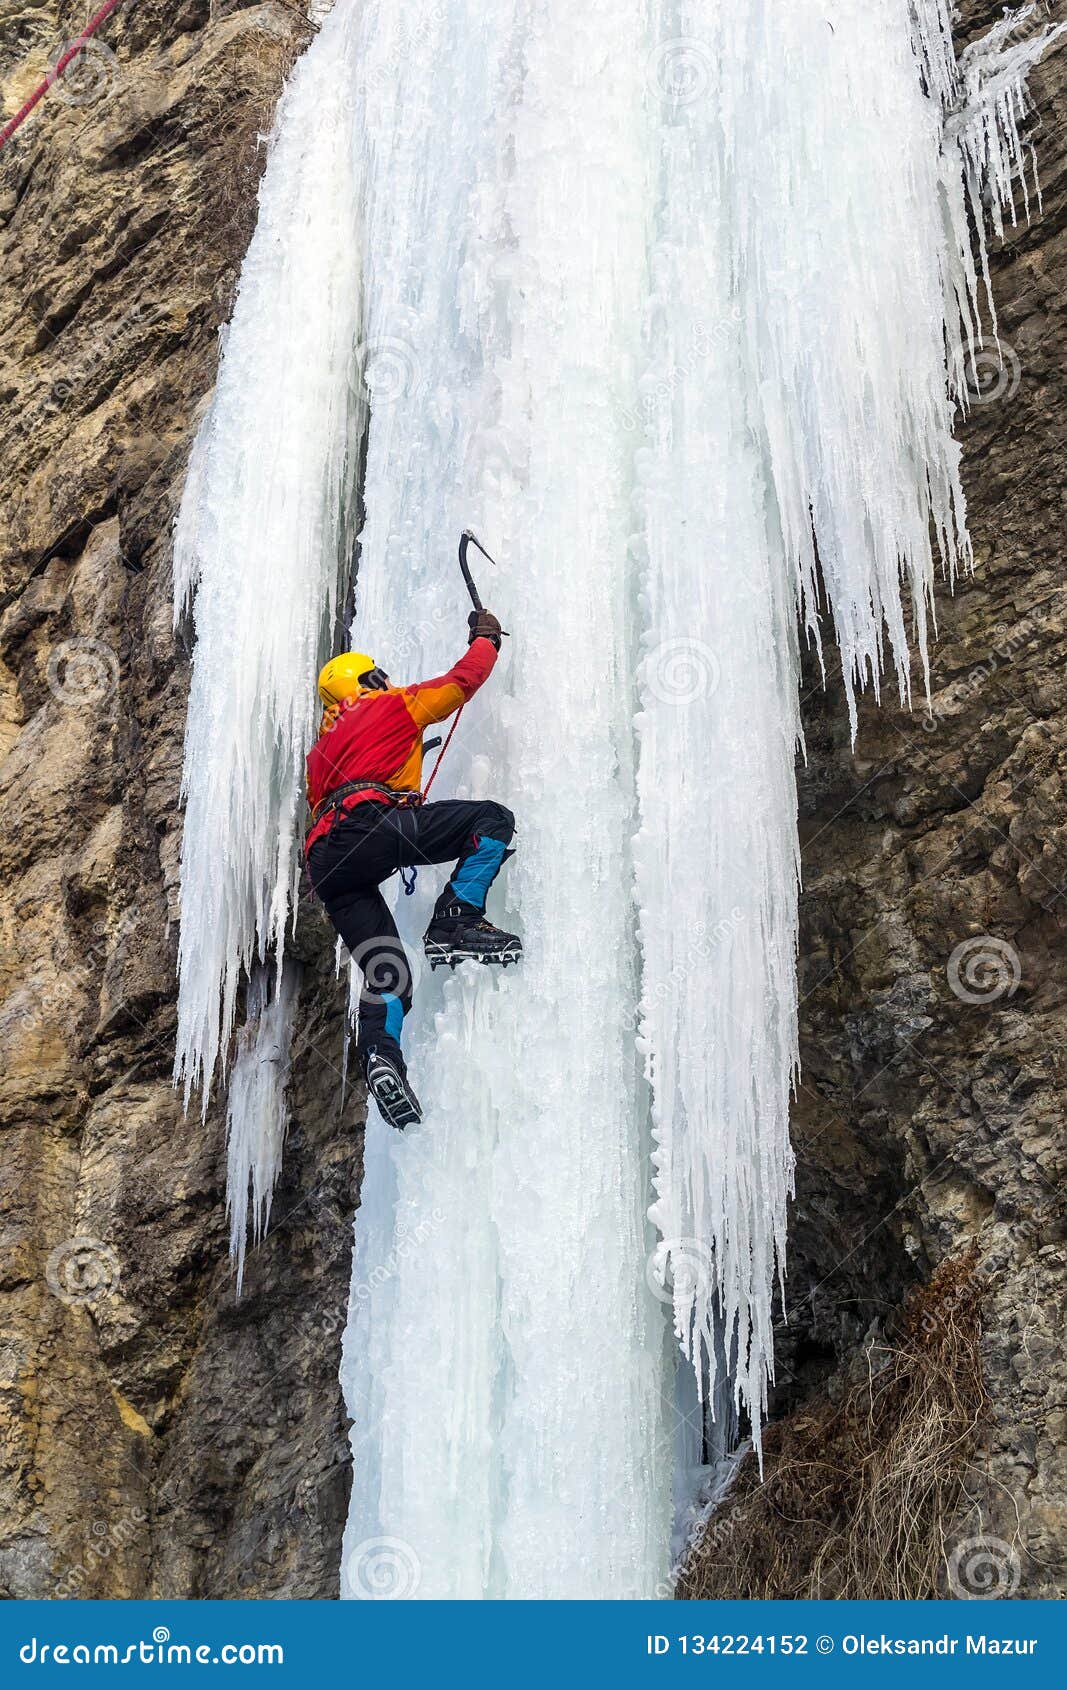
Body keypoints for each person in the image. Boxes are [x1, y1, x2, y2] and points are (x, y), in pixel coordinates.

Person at [305, 610, 520, 1130]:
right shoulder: (391, 706)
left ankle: (382, 1058)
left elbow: (355, 774)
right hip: (372, 828)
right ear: (367, 681)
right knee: (491, 821)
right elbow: (460, 683)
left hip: (328, 865)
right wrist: (486, 640)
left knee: (388, 972)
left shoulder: (321, 748)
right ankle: (456, 919)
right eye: (377, 674)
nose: (387, 679)